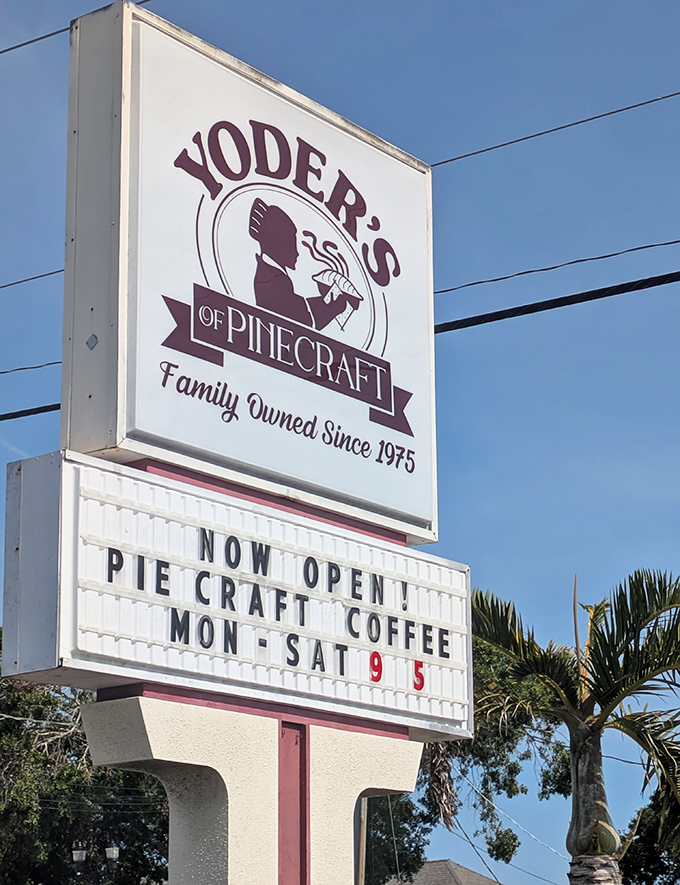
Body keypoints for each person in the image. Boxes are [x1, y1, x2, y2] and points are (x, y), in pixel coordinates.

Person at [248, 198, 353, 331]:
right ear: (277, 243)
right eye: (292, 242)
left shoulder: (272, 273)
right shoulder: (272, 279)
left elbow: (295, 304)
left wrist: (325, 301)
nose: (297, 253)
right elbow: (302, 319)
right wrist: (334, 308)